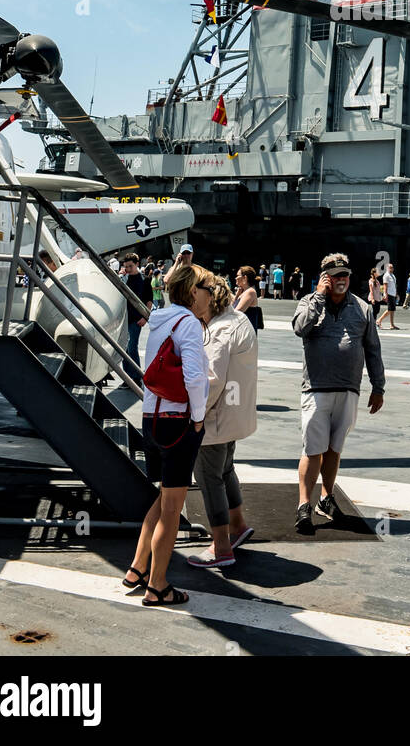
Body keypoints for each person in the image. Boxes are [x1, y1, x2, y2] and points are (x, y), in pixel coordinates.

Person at [123, 262, 209, 607]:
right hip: (178, 421)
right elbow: (194, 377)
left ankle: (138, 567)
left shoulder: (159, 317)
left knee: (162, 499)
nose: (210, 295)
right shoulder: (188, 323)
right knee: (173, 508)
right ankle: (157, 586)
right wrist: (199, 417)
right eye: (206, 289)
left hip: (152, 416)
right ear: (192, 292)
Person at [292, 252, 385, 534]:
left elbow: (373, 350)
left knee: (334, 448)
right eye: (335, 276)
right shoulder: (309, 302)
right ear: (324, 278)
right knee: (312, 449)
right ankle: (304, 504)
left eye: (345, 275)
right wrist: (319, 297)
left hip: (348, 389)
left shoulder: (362, 309)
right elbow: (299, 328)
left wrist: (378, 386)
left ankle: (326, 497)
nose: (341, 280)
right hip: (316, 389)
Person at [188, 276, 258, 568]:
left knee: (208, 478)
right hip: (234, 414)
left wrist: (195, 415)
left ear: (209, 294)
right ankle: (237, 526)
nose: (189, 297)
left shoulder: (218, 329)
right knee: (225, 470)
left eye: (194, 291)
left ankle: (221, 548)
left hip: (215, 419)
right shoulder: (238, 318)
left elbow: (212, 381)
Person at [120, 254, 152, 381]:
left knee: (132, 347)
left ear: (137, 264)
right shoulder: (124, 278)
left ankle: (136, 376)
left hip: (136, 319)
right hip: (124, 318)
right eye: (126, 266)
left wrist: (145, 317)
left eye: (130, 266)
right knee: (124, 349)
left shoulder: (144, 280)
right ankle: (128, 377)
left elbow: (149, 301)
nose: (128, 269)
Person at [378, 261, 399, 330]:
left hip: (393, 294)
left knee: (392, 310)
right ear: (387, 268)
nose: (391, 268)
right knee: (390, 309)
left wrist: (396, 293)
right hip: (389, 294)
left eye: (392, 267)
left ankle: (392, 325)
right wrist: (385, 294)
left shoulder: (393, 275)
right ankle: (379, 321)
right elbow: (385, 286)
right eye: (390, 267)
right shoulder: (386, 275)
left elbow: (394, 285)